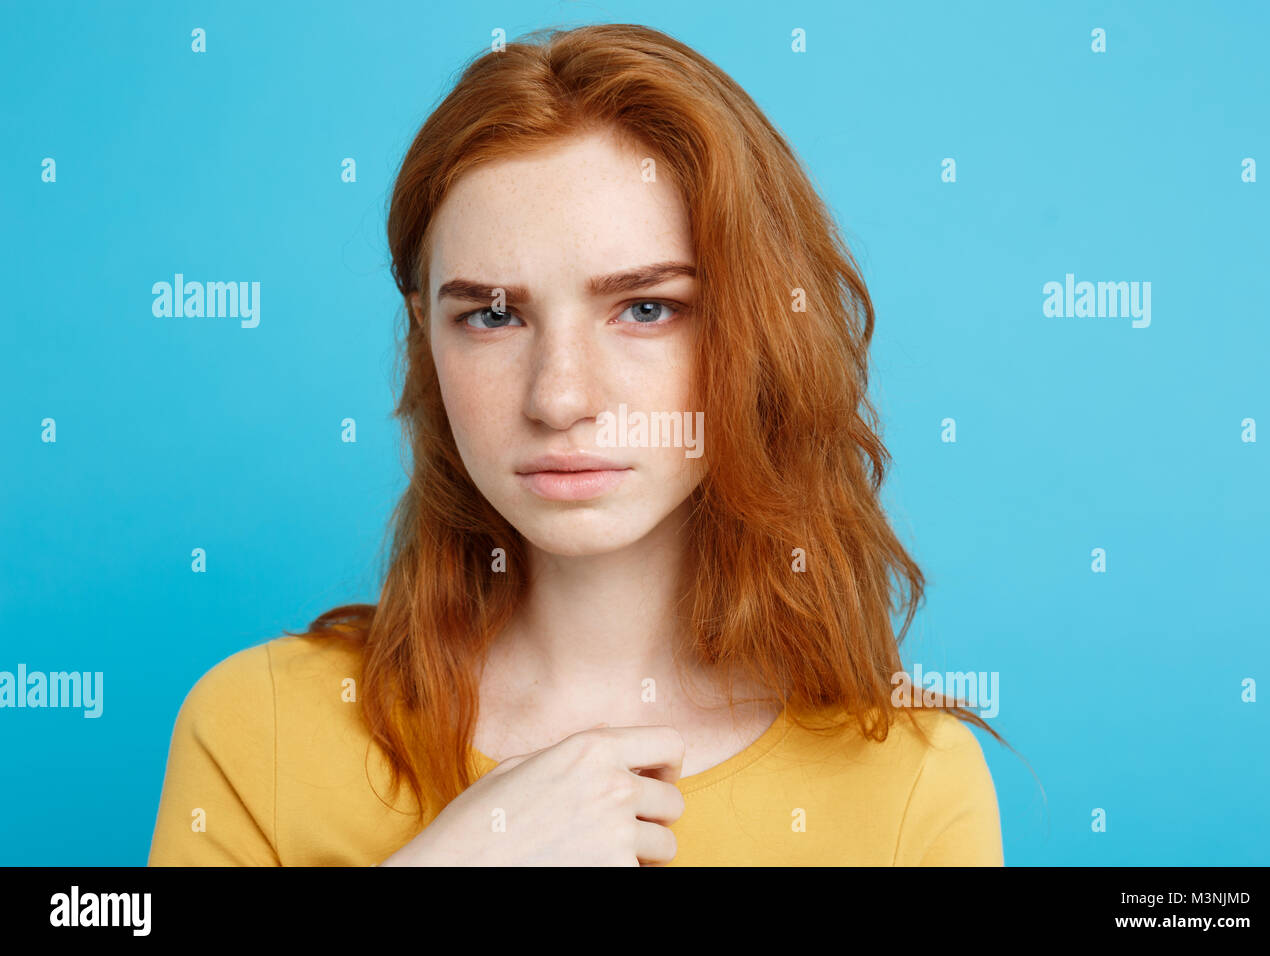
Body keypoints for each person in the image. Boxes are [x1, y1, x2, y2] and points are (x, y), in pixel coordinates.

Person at [147, 22, 1009, 867]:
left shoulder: (911, 786)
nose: (559, 398)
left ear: (759, 333)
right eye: (492, 314)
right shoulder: (254, 728)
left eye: (646, 308)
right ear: (427, 340)